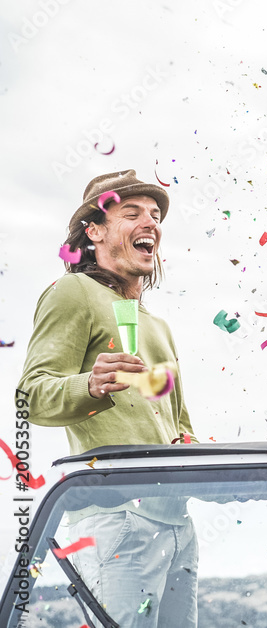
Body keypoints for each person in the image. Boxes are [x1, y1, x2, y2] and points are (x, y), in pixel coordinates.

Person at [18, 170, 198, 626]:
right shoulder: (72, 292)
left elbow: (179, 430)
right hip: (117, 520)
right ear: (94, 231)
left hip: (178, 524)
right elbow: (33, 396)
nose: (150, 222)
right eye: (131, 212)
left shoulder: (158, 326)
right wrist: (91, 384)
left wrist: (205, 459)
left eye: (155, 215)